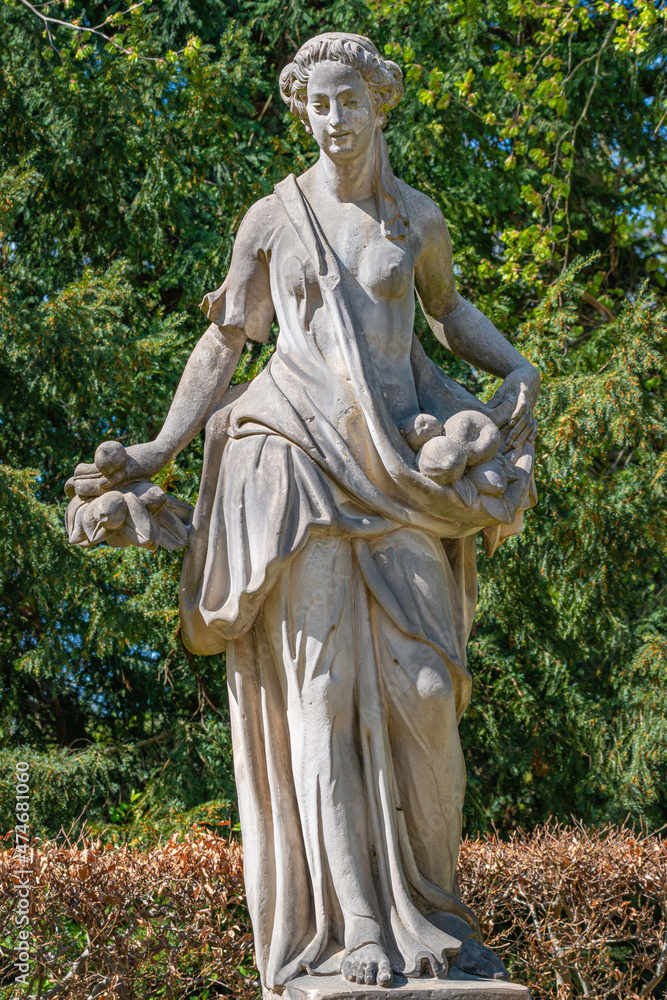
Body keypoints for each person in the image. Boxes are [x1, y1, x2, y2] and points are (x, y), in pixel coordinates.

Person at [67, 32, 539, 992]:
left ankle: (435, 916)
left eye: (347, 102)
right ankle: (355, 926)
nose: (331, 121)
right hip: (289, 451)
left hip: (401, 469)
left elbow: (446, 318)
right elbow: (226, 344)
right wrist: (158, 449)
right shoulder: (273, 219)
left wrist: (512, 369)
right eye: (315, 104)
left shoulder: (416, 219)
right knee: (318, 694)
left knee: (428, 695)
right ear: (301, 108)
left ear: (378, 104)